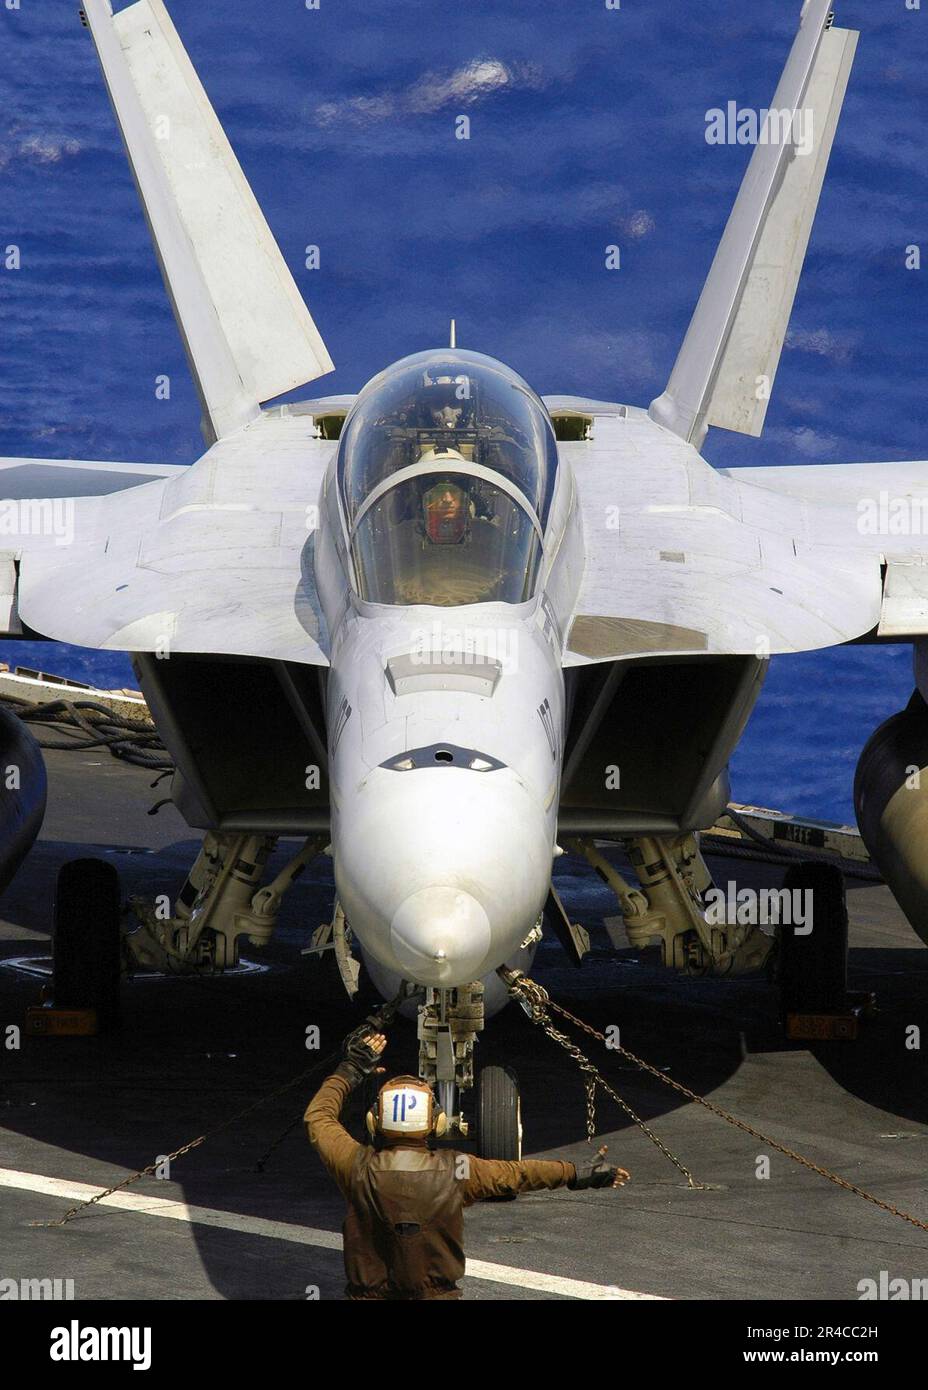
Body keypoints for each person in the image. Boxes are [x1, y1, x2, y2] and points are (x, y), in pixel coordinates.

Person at [305, 1024, 630, 1301]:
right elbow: (518, 1174)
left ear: (374, 1123)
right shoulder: (456, 1172)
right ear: (438, 1123)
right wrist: (576, 1174)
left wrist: (349, 1070)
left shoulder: (356, 1167)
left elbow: (318, 1117)